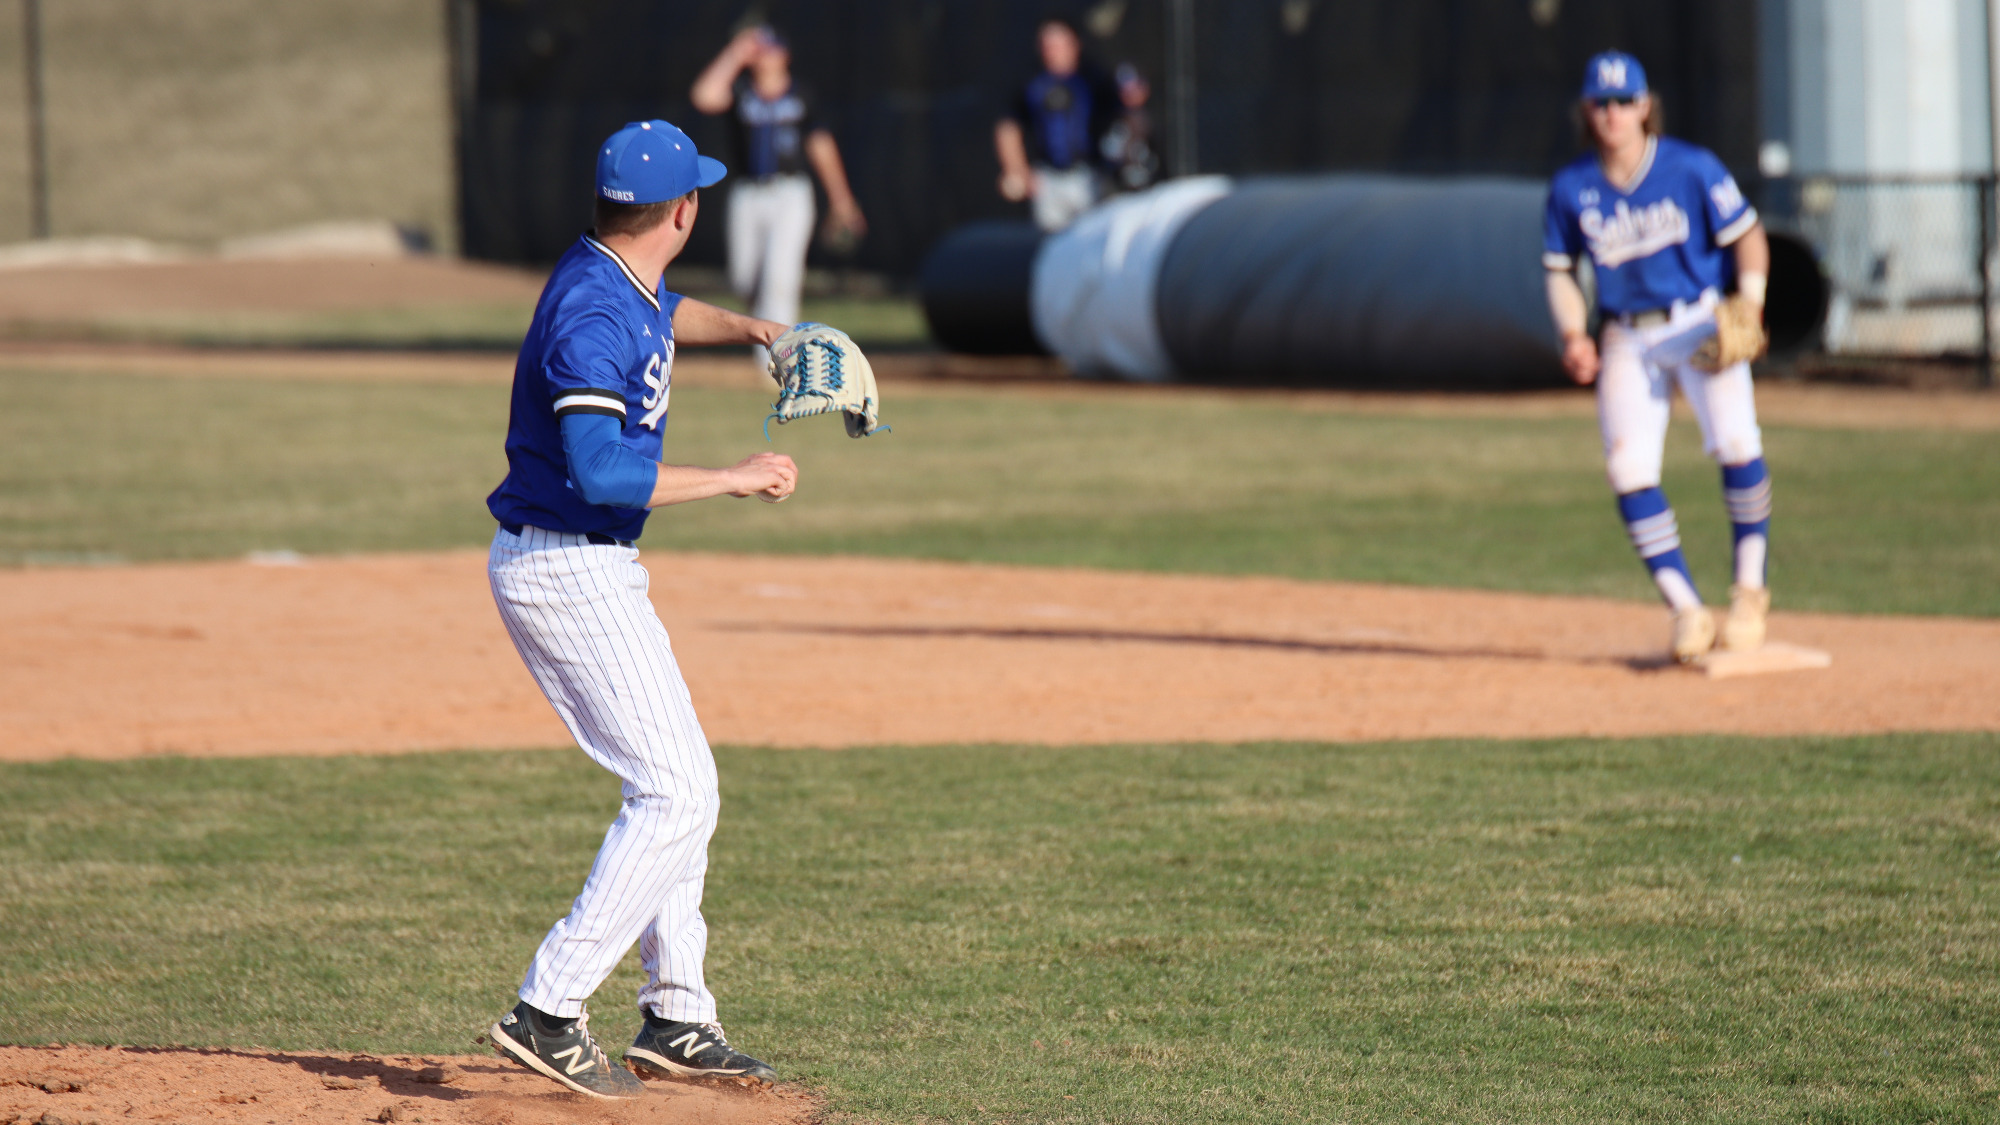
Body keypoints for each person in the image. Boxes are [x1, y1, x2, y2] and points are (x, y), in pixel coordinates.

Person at [483, 119, 804, 1098]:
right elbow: (599, 469)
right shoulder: (591, 310)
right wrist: (732, 479)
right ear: (682, 210)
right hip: (564, 567)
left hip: (589, 567)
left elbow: (664, 313)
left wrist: (754, 328)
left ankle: (677, 1018)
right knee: (676, 793)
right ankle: (548, 1005)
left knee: (682, 783)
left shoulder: (615, 278)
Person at [1542, 51, 1775, 664]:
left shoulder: (1689, 168)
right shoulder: (1573, 188)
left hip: (1699, 322)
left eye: (1624, 101)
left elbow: (1746, 236)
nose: (1613, 113)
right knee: (1628, 470)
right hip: (1626, 336)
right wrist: (1573, 334)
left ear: (1646, 106)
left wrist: (1748, 304)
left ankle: (1749, 592)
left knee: (1736, 444)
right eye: (1601, 103)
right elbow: (1561, 271)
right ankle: (1686, 609)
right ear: (1587, 110)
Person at [692, 25, 866, 370]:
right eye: (757, 51)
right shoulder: (741, 91)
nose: (762, 57)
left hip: (791, 194)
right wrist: (734, 53)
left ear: (784, 54)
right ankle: (768, 339)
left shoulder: (801, 94)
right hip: (748, 194)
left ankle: (777, 361)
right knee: (743, 277)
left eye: (767, 50)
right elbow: (704, 96)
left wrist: (842, 198)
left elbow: (820, 146)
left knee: (780, 277)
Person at [995, 18, 1120, 230]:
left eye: (1058, 44)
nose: (1052, 51)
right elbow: (1009, 127)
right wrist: (1016, 170)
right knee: (1051, 244)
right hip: (1048, 180)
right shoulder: (1032, 82)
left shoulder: (1095, 79)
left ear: (1074, 44)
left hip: (1089, 177)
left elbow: (1123, 119)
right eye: (1047, 45)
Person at [1100, 63, 1160, 192]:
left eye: (1134, 89)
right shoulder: (1113, 122)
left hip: (1154, 192)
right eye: (1125, 90)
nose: (1130, 95)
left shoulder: (1159, 119)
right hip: (1123, 192)